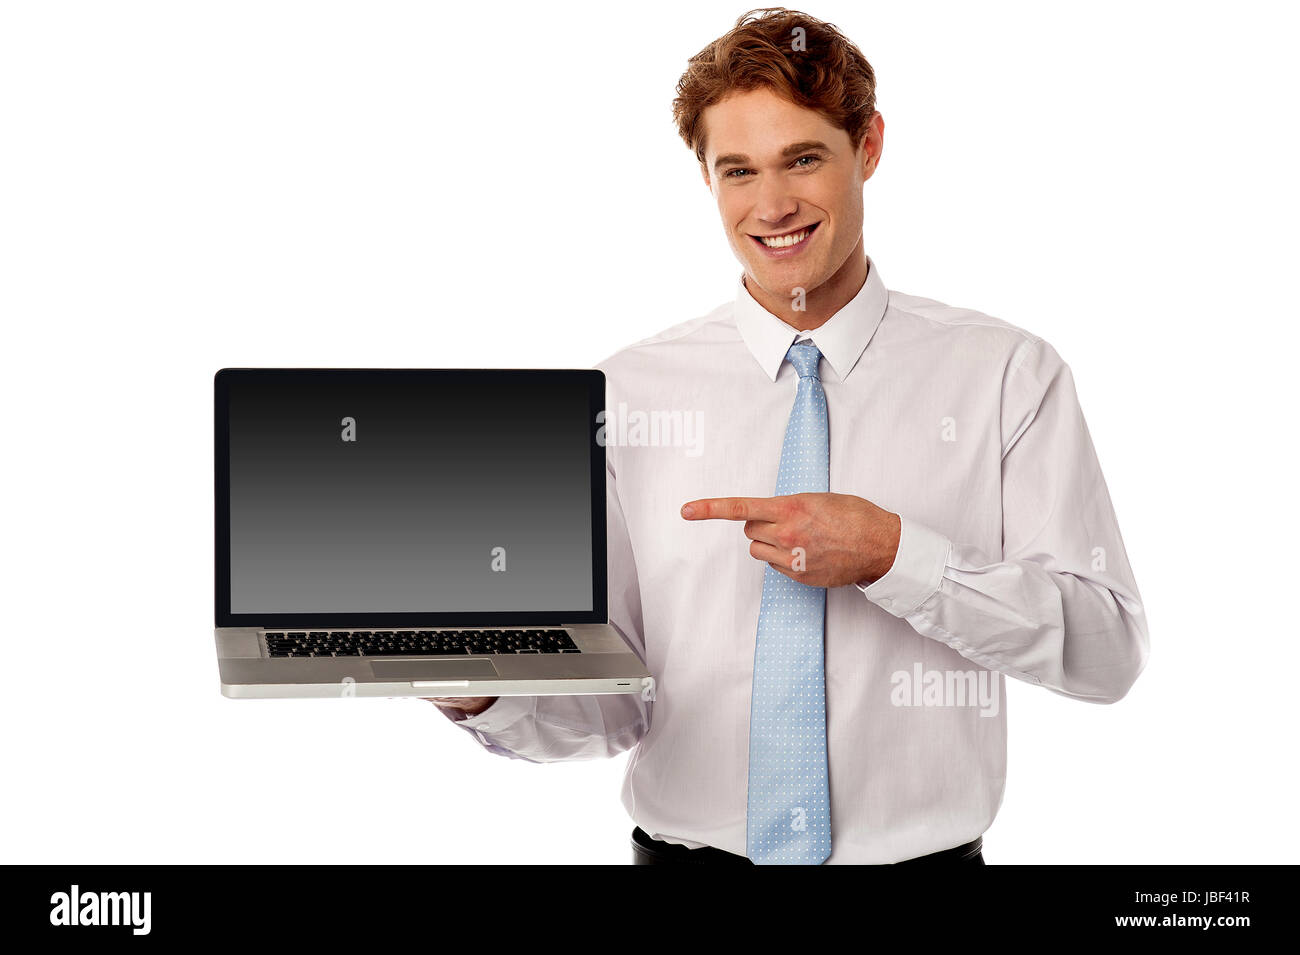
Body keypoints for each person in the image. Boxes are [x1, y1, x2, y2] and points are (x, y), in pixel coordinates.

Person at [430, 7, 1149, 865]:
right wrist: (481, 689)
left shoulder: (1006, 377)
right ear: (706, 178)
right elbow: (614, 707)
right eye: (737, 170)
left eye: (802, 159)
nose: (771, 206)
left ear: (869, 147)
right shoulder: (625, 393)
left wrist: (895, 557)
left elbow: (1107, 651)